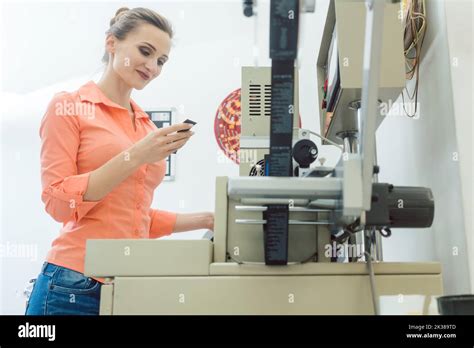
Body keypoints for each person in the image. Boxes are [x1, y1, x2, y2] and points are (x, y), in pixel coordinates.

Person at [25, 7, 214, 315]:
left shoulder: (146, 126)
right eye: (146, 51)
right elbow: (58, 205)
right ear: (111, 43)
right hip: (71, 283)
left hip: (127, 286)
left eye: (161, 61)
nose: (152, 67)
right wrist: (137, 155)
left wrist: (207, 219)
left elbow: (135, 215)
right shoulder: (69, 107)